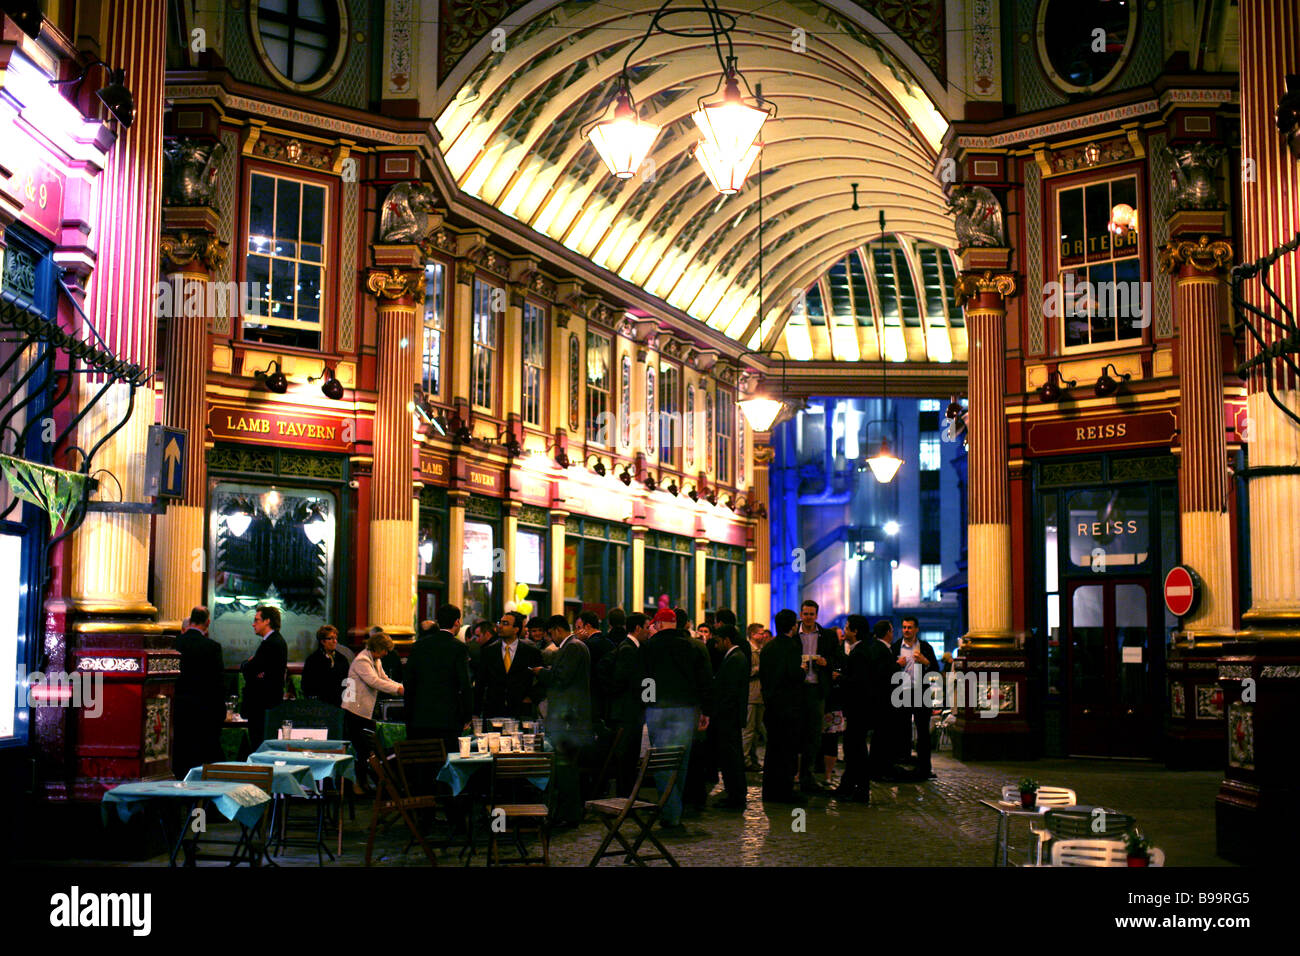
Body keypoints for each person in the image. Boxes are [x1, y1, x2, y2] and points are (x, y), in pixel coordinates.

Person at [641, 607, 710, 828]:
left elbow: (644, 680)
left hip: (658, 709)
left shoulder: (649, 647)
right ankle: (674, 809)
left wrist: (648, 700)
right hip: (685, 710)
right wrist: (705, 710)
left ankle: (670, 812)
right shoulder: (693, 646)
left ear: (659, 624)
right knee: (680, 761)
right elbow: (705, 681)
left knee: (661, 762)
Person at [529, 615, 591, 827]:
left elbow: (562, 679)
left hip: (568, 717)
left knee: (566, 769)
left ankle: (569, 814)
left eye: (550, 634)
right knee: (566, 767)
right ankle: (567, 812)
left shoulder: (572, 647)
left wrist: (542, 673)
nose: (551, 639)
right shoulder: (575, 647)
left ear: (556, 630)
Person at [404, 605, 473, 755]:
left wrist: (409, 714)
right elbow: (465, 684)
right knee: (446, 763)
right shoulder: (459, 648)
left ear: (438, 621)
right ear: (457, 622)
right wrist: (467, 714)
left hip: (420, 717)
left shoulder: (419, 646)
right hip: (448, 719)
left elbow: (408, 682)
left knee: (423, 764)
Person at [343, 630, 404, 793]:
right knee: (362, 750)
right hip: (354, 712)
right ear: (377, 647)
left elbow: (384, 678)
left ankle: (366, 784)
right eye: (384, 650)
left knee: (368, 751)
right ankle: (360, 785)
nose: (386, 653)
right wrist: (398, 690)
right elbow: (374, 682)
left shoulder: (374, 660)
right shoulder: (362, 660)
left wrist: (400, 687)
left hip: (365, 712)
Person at [795, 600, 841, 792]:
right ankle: (797, 772)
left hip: (817, 688)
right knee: (797, 731)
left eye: (811, 614)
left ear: (816, 615)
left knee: (814, 732)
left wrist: (826, 662)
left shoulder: (827, 635)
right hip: (798, 688)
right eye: (805, 614)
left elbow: (837, 658)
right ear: (801, 614)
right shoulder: (793, 635)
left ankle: (809, 772)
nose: (808, 618)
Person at [173, 606, 225, 777]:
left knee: (180, 755)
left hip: (178, 708)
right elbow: (218, 683)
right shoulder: (212, 647)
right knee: (202, 758)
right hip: (204, 710)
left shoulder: (175, 644)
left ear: (190, 620)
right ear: (207, 622)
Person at [759, 608, 805, 803]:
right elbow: (792, 675)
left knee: (773, 750)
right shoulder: (793, 647)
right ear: (793, 626)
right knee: (787, 751)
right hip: (788, 706)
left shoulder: (768, 647)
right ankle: (785, 791)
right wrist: (802, 670)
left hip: (771, 705)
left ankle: (769, 790)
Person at [605, 611, 648, 796]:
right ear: (637, 628)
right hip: (627, 712)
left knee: (630, 756)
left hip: (629, 711)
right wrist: (648, 698)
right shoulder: (629, 649)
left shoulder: (631, 647)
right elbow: (625, 679)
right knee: (627, 757)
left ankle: (628, 794)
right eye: (646, 628)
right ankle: (625, 795)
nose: (648, 631)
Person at [707, 625, 749, 809]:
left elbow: (729, 692)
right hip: (730, 716)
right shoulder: (735, 657)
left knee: (731, 757)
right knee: (732, 756)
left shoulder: (735, 658)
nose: (716, 646)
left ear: (727, 640)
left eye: (718, 641)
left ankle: (735, 796)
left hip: (728, 717)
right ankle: (735, 793)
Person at [833, 615, 874, 803]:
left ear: (855, 631)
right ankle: (850, 785)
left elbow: (858, 682)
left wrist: (838, 678)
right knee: (853, 748)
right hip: (860, 709)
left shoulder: (860, 653)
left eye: (847, 628)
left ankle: (859, 788)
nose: (845, 631)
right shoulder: (861, 651)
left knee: (855, 749)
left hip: (858, 709)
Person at [892, 615, 939, 779]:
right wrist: (897, 665)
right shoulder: (896, 647)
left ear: (916, 629)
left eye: (910, 627)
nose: (907, 630)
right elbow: (888, 669)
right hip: (902, 692)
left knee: (923, 732)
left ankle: (925, 768)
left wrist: (925, 661)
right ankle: (903, 765)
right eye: (904, 627)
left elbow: (935, 670)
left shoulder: (925, 647)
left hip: (921, 692)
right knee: (901, 730)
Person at [476, 611, 541, 719]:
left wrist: (531, 697)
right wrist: (476, 712)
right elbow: (480, 683)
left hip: (521, 712)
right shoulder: (488, 652)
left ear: (516, 629)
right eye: (500, 623)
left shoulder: (531, 653)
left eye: (505, 624)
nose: (500, 626)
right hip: (494, 711)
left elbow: (542, 680)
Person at [240, 605, 287, 748]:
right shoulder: (275, 641)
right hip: (266, 704)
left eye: (257, 620)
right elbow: (256, 671)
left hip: (262, 705)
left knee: (260, 745)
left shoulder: (271, 643)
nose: (253, 624)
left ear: (267, 621)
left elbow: (250, 670)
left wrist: (247, 665)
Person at [866, 619, 903, 782]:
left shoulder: (879, 648)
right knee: (882, 735)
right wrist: (897, 665)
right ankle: (879, 768)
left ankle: (881, 767)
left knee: (883, 735)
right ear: (888, 632)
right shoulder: (880, 649)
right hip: (883, 700)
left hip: (883, 700)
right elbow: (882, 673)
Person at [821, 624, 848, 788]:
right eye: (839, 636)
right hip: (826, 700)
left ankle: (828, 774)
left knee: (831, 740)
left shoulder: (842, 657)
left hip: (834, 702)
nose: (842, 638)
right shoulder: (826, 656)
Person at [575, 610, 613, 722]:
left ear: (587, 626)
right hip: (607, 696)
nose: (576, 632)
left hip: (590, 697)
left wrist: (578, 641)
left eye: (578, 627)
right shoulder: (609, 643)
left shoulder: (586, 646)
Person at [302, 625, 350, 707]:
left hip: (339, 704)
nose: (335, 641)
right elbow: (306, 685)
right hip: (320, 705)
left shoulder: (342, 659)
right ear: (322, 641)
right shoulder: (312, 660)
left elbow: (348, 682)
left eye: (336, 638)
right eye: (331, 638)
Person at [743, 623, 769, 771]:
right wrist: (759, 668)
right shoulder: (749, 650)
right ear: (752, 635)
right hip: (751, 695)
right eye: (760, 633)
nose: (763, 635)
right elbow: (746, 671)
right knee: (748, 730)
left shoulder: (762, 650)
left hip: (760, 695)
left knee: (756, 730)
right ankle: (745, 759)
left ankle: (753, 758)